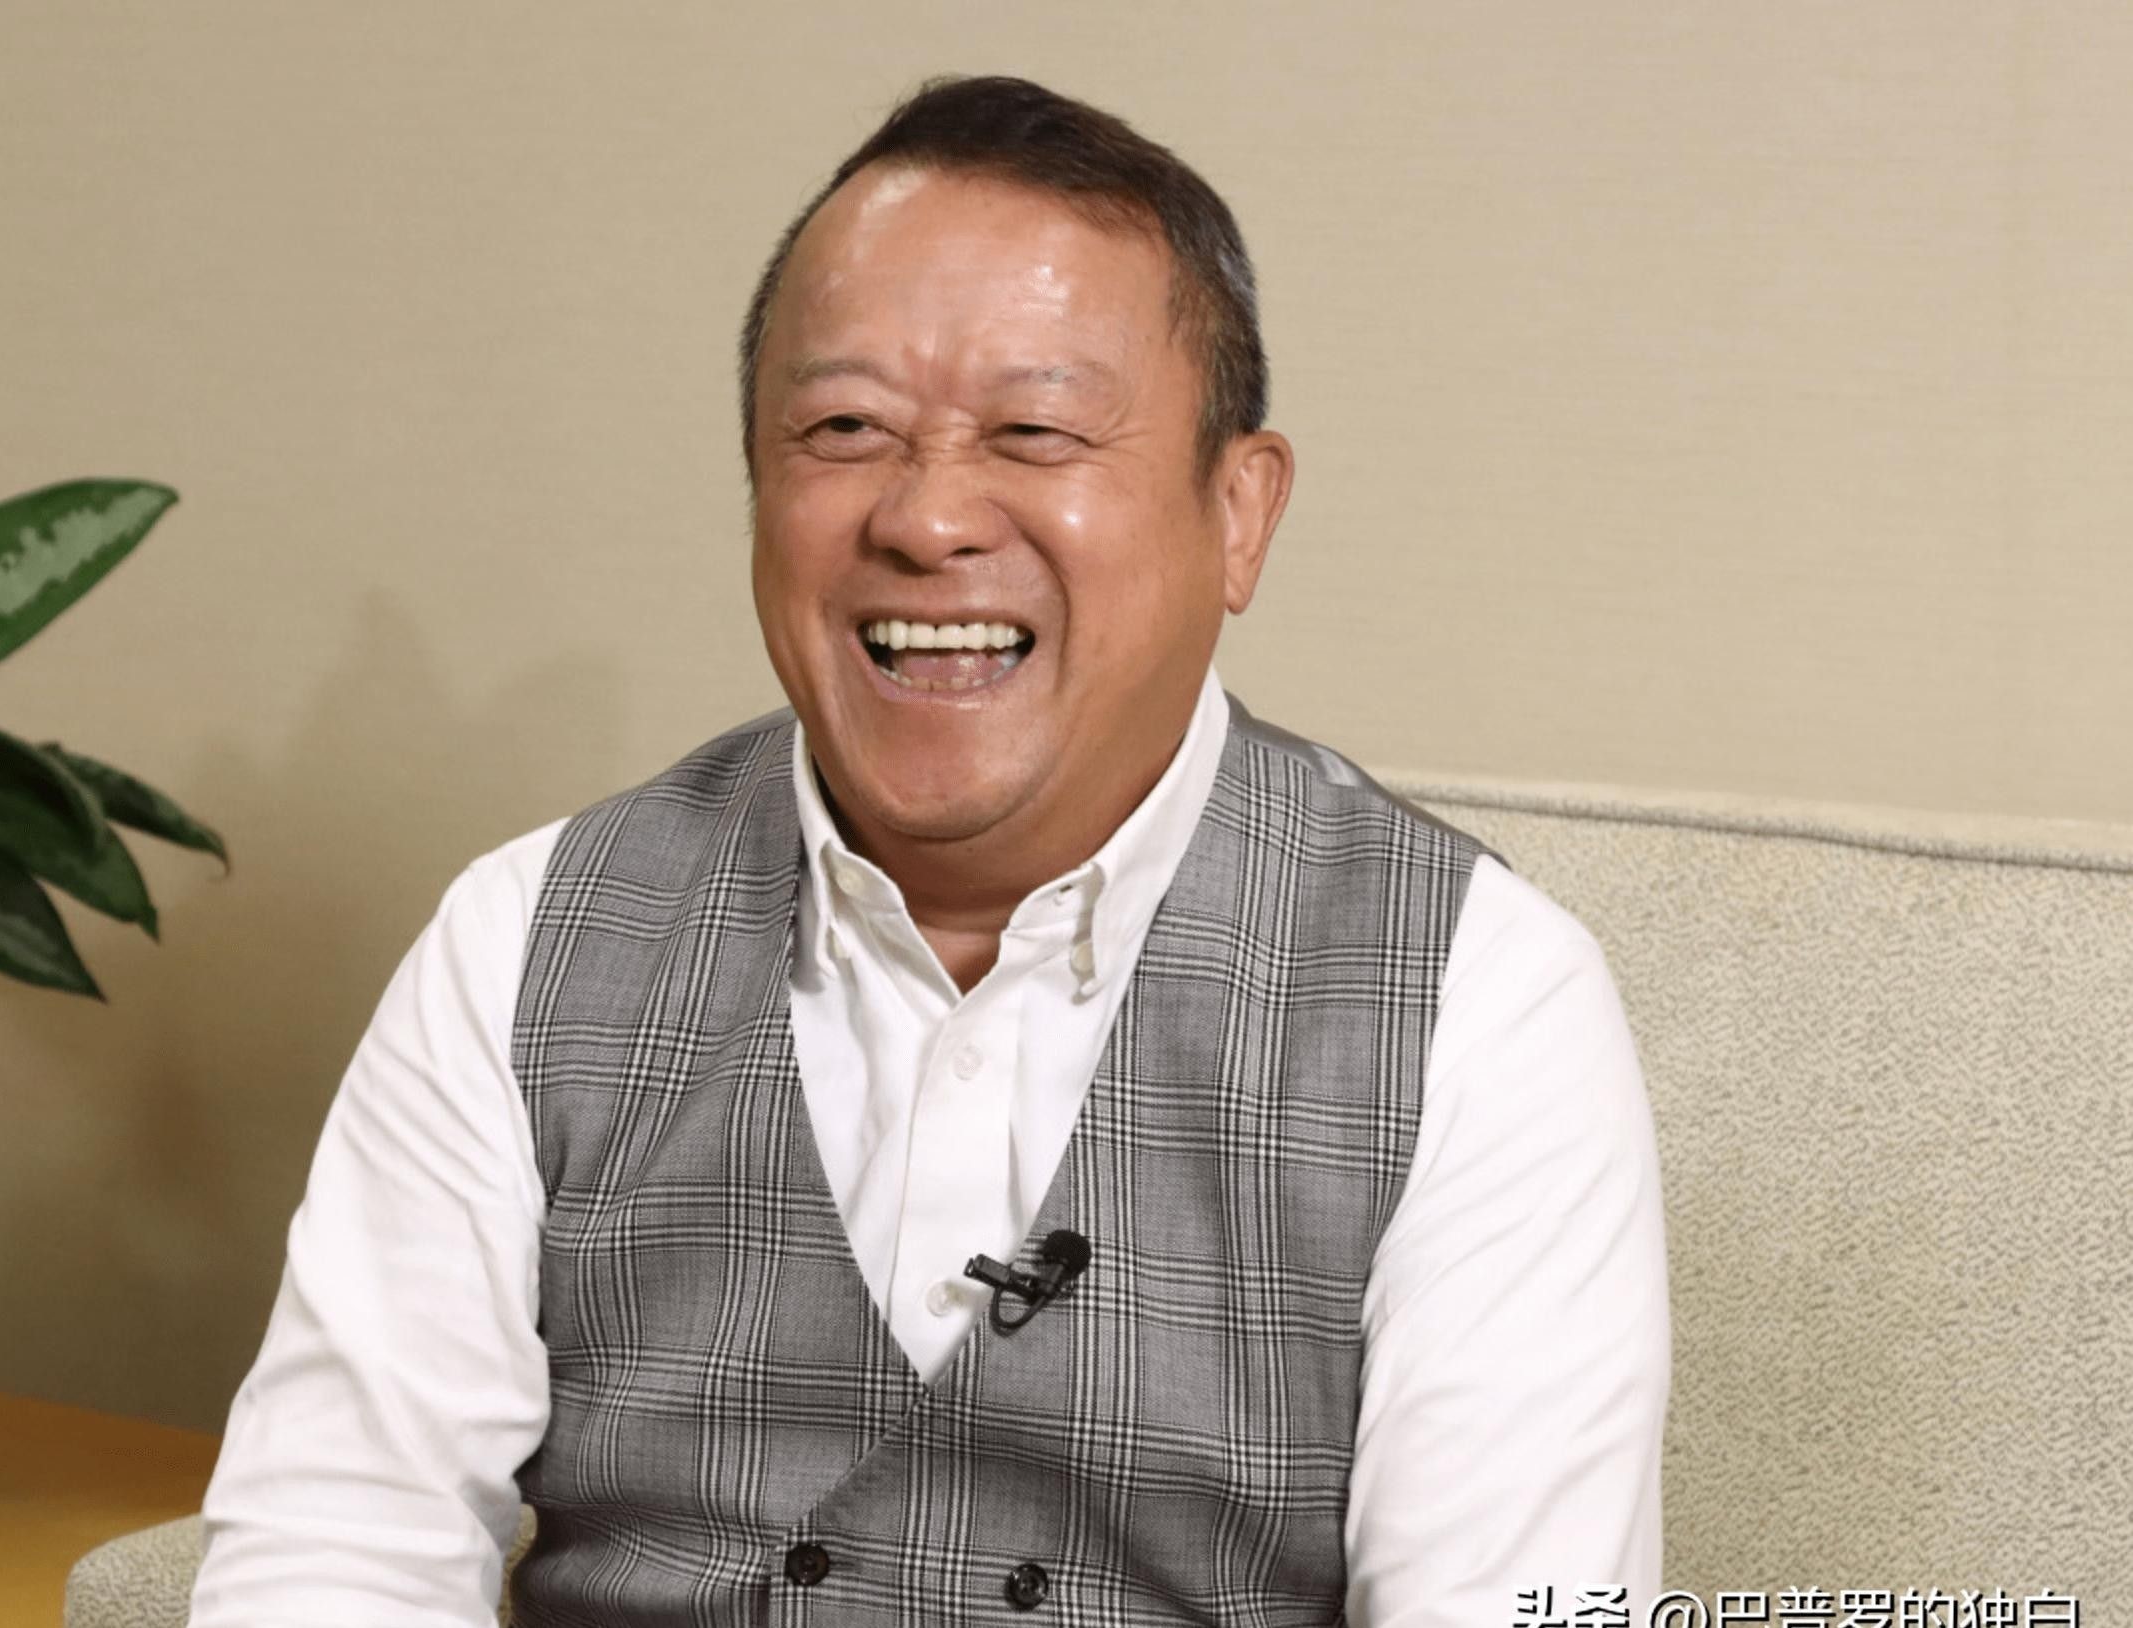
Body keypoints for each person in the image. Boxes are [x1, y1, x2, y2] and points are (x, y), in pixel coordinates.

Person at [189, 74, 1669, 1627]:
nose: (928, 518)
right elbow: (335, 1550)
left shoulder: (1479, 1002)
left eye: (1034, 430)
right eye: (844, 429)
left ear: (1239, 512)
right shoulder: (522, 941)